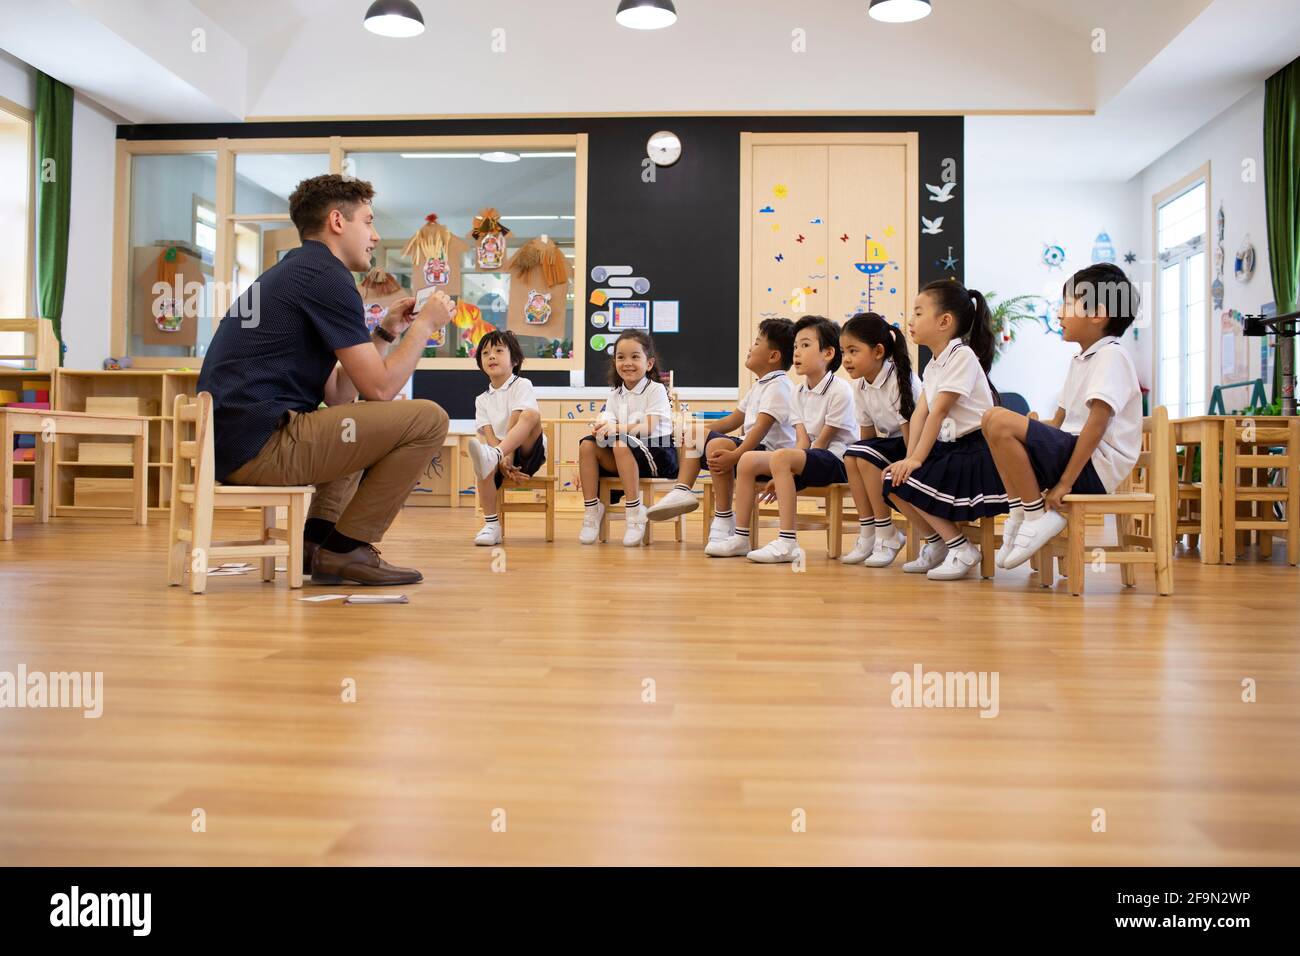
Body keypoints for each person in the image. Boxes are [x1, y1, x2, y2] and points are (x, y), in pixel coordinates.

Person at [198, 174, 453, 586]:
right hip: (260, 444)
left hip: (238, 441)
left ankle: (316, 546)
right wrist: (425, 326)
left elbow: (338, 397)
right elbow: (382, 389)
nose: (374, 235)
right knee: (429, 419)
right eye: (368, 222)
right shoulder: (328, 277)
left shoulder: (299, 270)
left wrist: (386, 333)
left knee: (356, 423)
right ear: (338, 221)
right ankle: (347, 548)